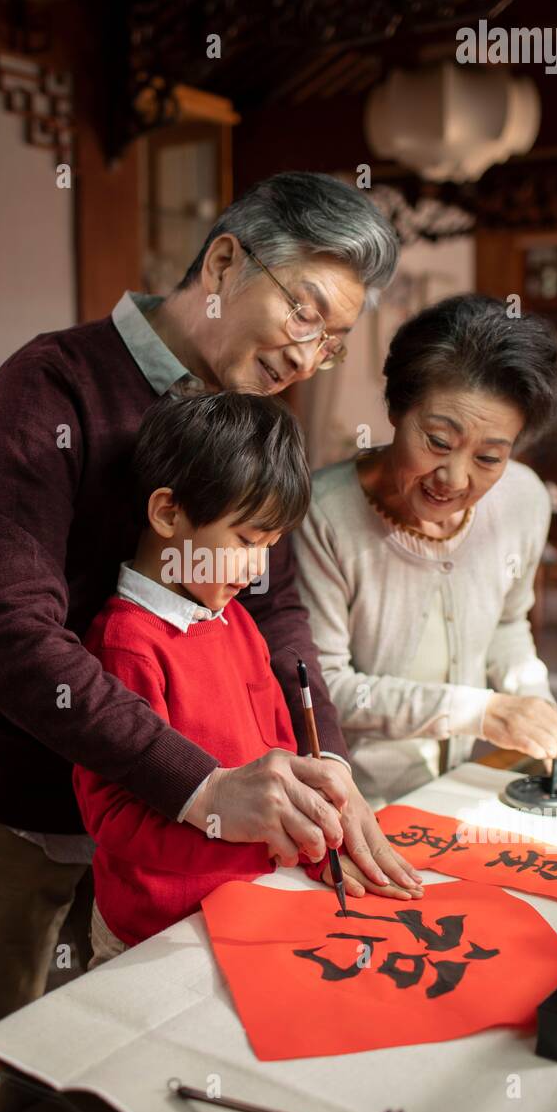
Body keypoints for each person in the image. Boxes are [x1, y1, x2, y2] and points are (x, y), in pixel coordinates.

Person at [0, 171, 421, 1059]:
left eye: (334, 343)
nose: (308, 357)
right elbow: (8, 638)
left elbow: (280, 612)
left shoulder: (253, 413)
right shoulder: (53, 385)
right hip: (17, 804)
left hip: (177, 831)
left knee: (142, 1067)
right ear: (225, 260)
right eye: (305, 313)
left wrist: (326, 762)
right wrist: (202, 786)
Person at [73, 392, 426, 969]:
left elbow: (280, 750)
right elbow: (113, 819)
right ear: (167, 514)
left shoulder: (236, 618)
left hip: (244, 908)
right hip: (152, 936)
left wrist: (314, 832)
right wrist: (261, 845)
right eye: (245, 541)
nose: (258, 570)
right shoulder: (125, 645)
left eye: (270, 546)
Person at [293, 293, 557, 810]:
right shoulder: (323, 514)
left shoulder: (522, 498)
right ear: (395, 408)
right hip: (347, 804)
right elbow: (325, 687)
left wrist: (538, 710)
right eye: (437, 441)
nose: (454, 479)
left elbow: (507, 625)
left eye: (488, 457)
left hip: (456, 795)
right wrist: (484, 712)